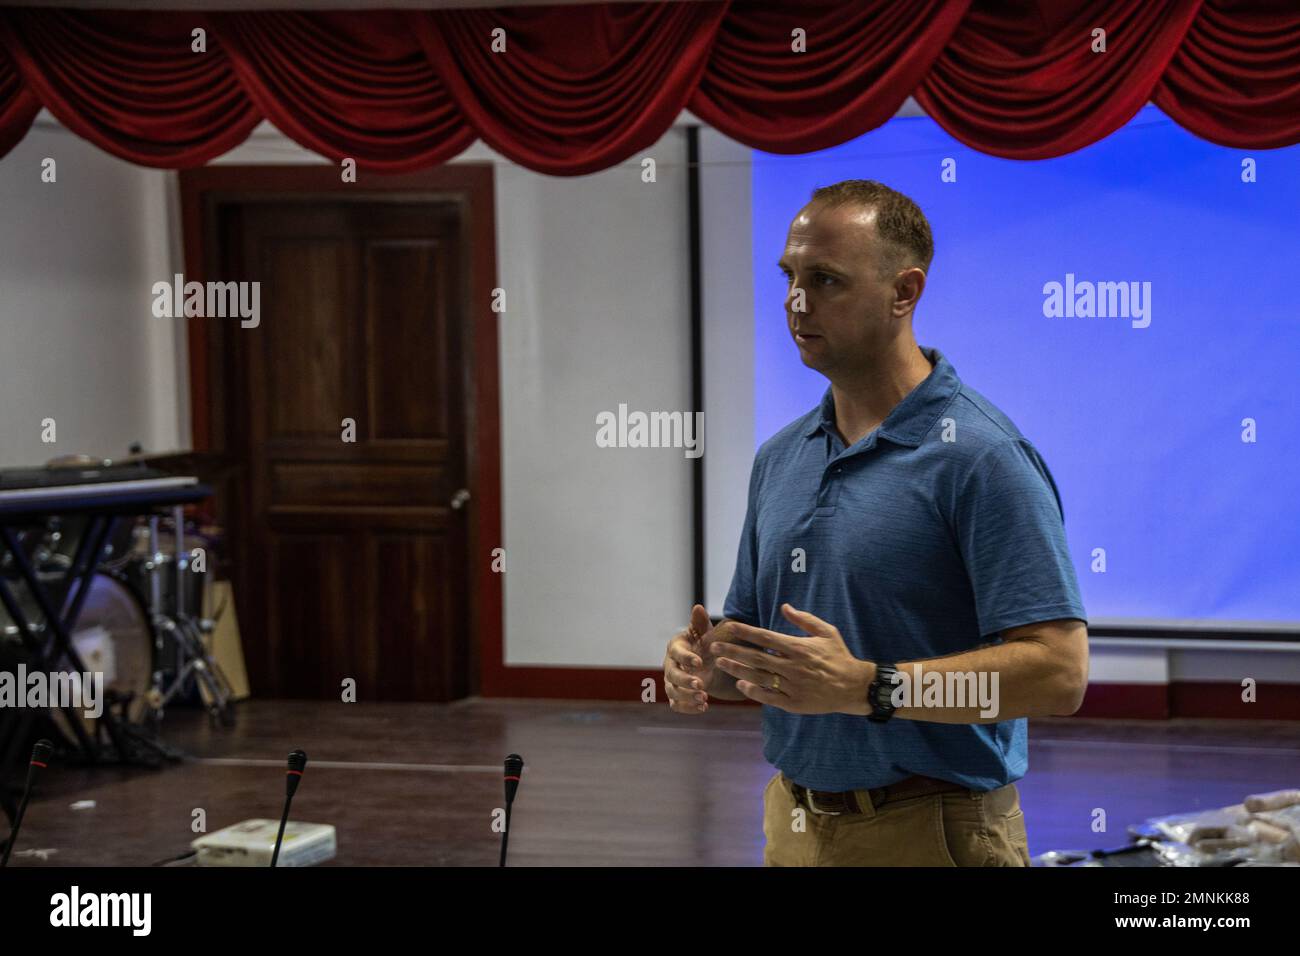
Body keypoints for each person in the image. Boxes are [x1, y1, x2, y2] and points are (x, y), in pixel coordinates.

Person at [662, 180, 1088, 866]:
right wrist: (705, 664)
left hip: (933, 832)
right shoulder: (781, 457)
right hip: (792, 824)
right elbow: (756, 644)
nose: (796, 303)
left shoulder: (984, 458)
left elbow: (1059, 675)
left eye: (825, 280)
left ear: (905, 292)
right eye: (790, 277)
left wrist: (872, 686)